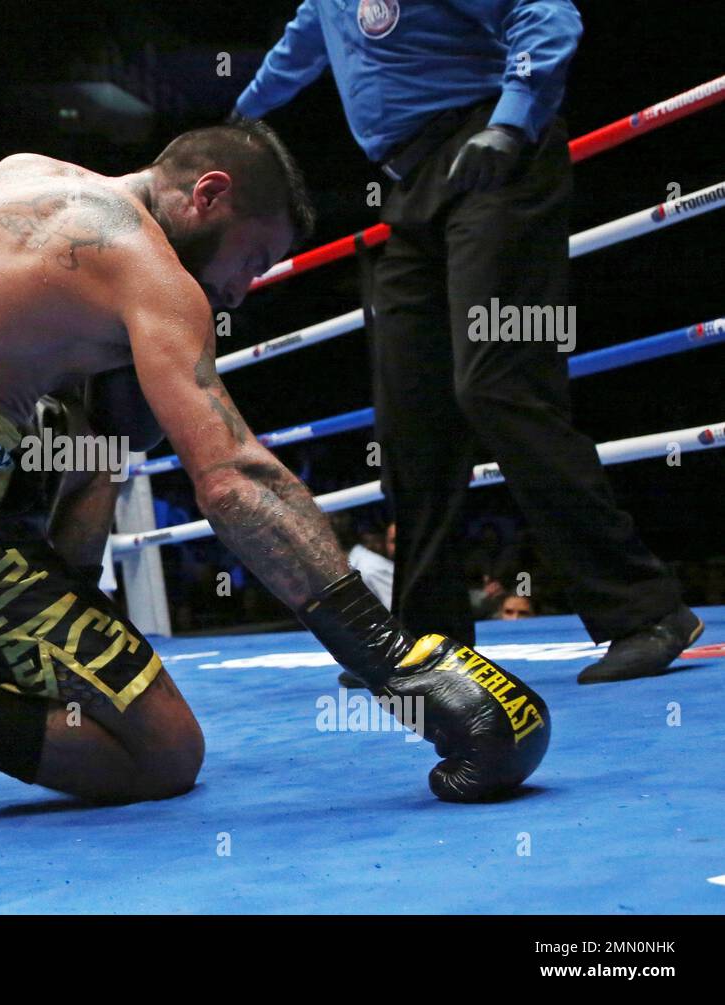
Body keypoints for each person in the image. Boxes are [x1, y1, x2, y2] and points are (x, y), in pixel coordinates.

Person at [0, 121, 552, 846]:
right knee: (163, 750)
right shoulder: (150, 270)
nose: (244, 288)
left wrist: (61, 638)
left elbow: (96, 460)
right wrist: (390, 659)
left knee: (99, 425)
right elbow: (234, 479)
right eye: (253, 258)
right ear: (209, 194)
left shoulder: (38, 175)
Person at [233, 1, 701, 685]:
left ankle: (645, 611)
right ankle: (427, 635)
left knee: (498, 384)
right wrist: (232, 126)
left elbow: (546, 13)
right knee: (410, 413)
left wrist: (511, 122)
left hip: (492, 161)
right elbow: (296, 54)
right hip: (408, 188)